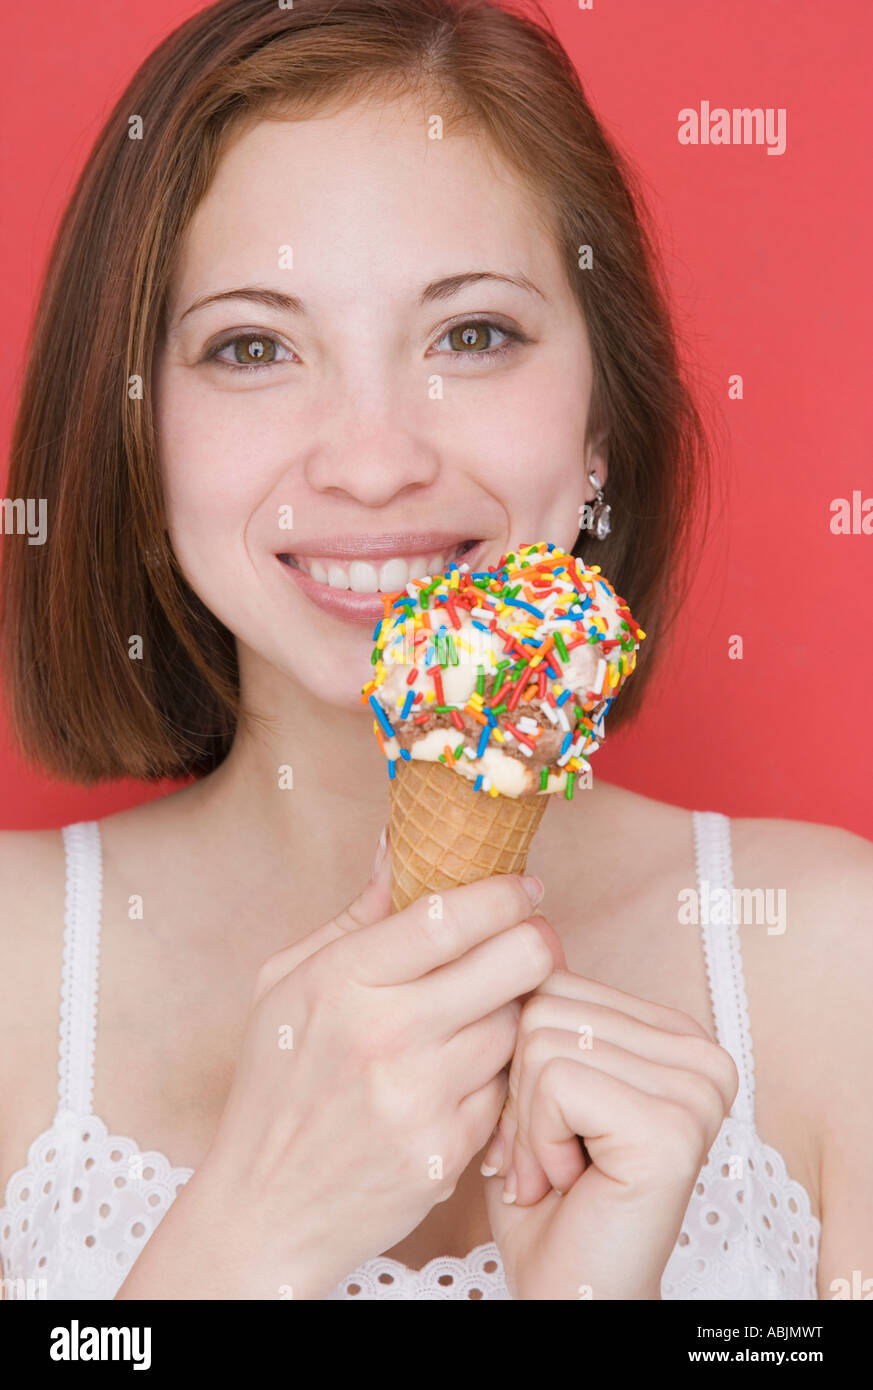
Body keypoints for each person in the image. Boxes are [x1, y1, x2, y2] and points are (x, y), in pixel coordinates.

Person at [0, 0, 870, 1302]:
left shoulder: (828, 963)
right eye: (252, 345)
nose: (373, 461)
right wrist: (245, 1240)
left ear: (595, 437)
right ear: (139, 433)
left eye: (471, 335)